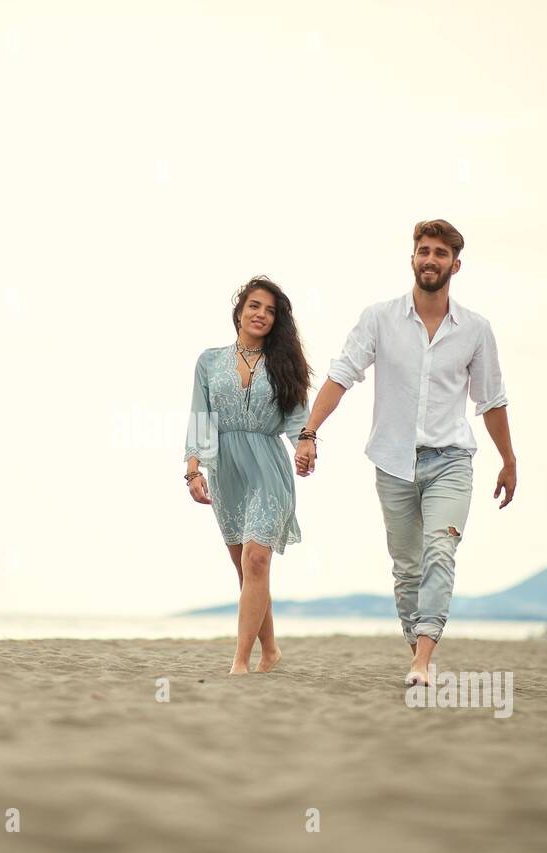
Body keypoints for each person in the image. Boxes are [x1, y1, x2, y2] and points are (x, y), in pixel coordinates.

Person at [298, 220, 517, 687]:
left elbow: (491, 400)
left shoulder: (476, 329)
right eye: (424, 250)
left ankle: (422, 662)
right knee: (407, 570)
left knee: (440, 550)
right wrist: (310, 431)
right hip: (393, 461)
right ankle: (418, 651)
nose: (431, 259)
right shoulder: (379, 319)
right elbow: (342, 375)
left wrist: (509, 460)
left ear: (455, 265)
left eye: (440, 253)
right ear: (413, 258)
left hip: (451, 459)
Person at [184, 276, 316, 675]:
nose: (262, 315)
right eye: (255, 306)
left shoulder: (285, 365)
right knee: (247, 570)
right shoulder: (209, 361)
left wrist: (306, 445)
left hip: (267, 467)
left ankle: (240, 662)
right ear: (239, 312)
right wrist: (193, 469)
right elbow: (200, 418)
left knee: (258, 559)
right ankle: (271, 650)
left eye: (271, 311)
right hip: (226, 470)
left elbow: (297, 419)